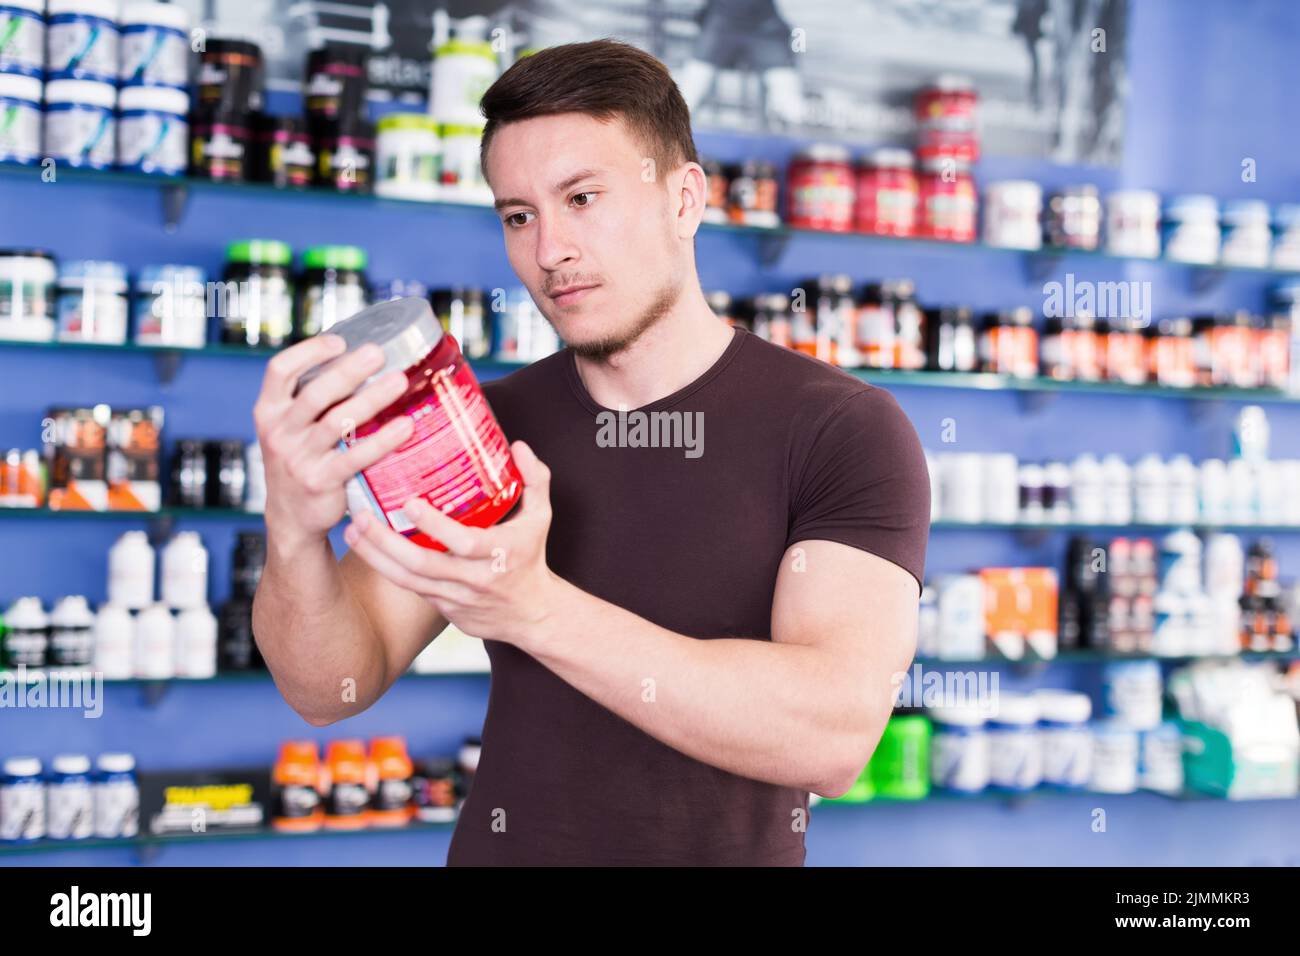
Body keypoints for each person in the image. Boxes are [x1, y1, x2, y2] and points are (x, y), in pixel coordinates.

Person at [251, 38, 930, 866]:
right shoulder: (482, 427)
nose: (549, 252)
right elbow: (330, 688)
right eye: (519, 215)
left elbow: (832, 735)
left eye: (582, 198)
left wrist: (533, 608)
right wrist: (290, 530)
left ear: (684, 200)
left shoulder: (840, 428)